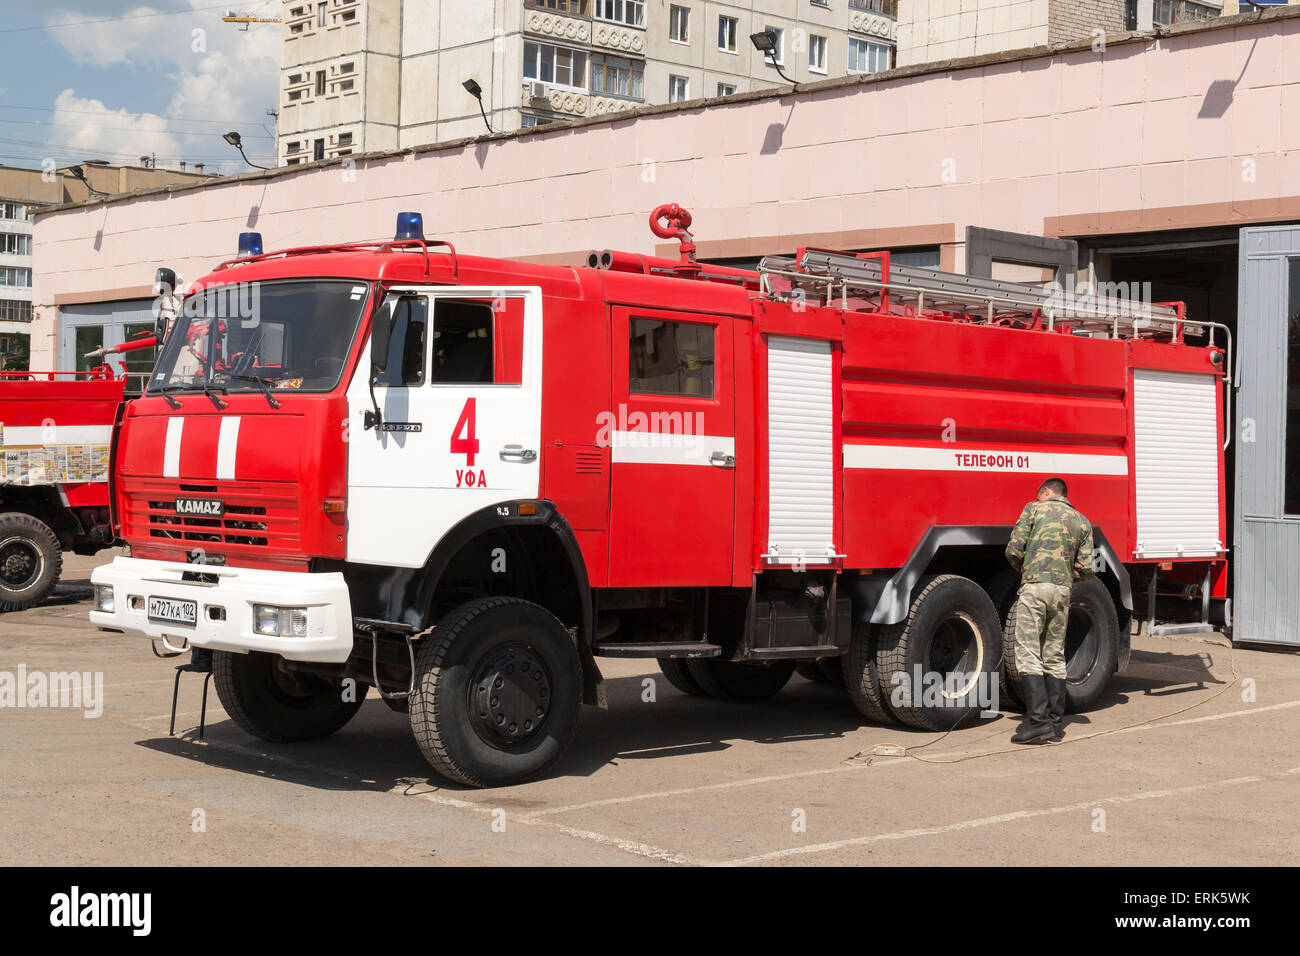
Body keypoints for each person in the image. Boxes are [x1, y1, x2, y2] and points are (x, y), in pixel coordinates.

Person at [1004, 477, 1095, 744]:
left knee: (1028, 652)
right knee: (1054, 654)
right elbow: (1088, 568)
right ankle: (1055, 725)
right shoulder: (1082, 520)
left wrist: (1028, 569)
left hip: (1035, 588)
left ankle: (1037, 723)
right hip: (1062, 590)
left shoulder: (1034, 509)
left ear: (1045, 492)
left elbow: (1012, 550)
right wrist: (1065, 576)